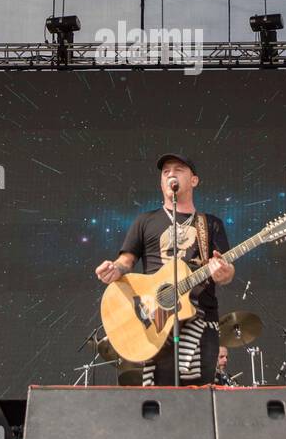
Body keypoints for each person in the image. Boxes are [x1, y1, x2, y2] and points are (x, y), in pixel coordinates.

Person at [95, 154, 235, 386]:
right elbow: (125, 261)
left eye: (179, 169)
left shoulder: (210, 224)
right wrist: (114, 268)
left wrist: (224, 273)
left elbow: (227, 272)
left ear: (194, 180)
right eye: (165, 171)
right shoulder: (145, 221)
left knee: (197, 397)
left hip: (200, 319)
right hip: (155, 321)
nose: (171, 173)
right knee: (160, 397)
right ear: (162, 183)